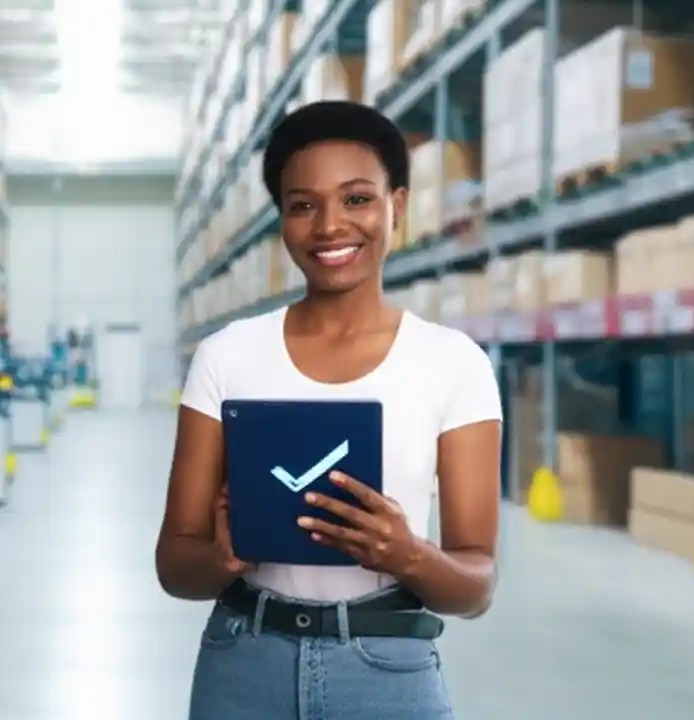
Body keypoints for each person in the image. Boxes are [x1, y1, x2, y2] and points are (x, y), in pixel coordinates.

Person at [155, 100, 503, 719]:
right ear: (283, 221)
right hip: (244, 663)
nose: (330, 226)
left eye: (357, 199)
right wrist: (220, 558)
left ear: (397, 205)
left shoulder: (454, 363)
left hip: (388, 669)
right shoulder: (226, 357)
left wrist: (406, 553)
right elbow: (174, 567)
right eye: (303, 205)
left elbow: (475, 586)